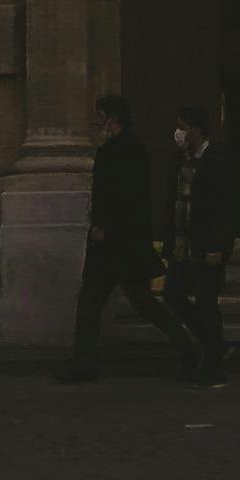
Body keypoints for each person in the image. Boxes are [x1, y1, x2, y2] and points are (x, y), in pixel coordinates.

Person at [59, 91, 195, 382]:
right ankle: (186, 348)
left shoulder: (118, 152)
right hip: (124, 243)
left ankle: (85, 365)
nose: (96, 122)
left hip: (115, 243)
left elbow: (120, 196)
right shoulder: (128, 149)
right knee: (129, 302)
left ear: (113, 118)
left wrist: (102, 225)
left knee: (100, 303)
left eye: (100, 116)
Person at [167, 100, 235, 385]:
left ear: (195, 130)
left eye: (182, 127)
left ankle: (215, 368)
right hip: (185, 244)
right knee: (173, 295)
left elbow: (224, 207)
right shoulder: (184, 160)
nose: (178, 133)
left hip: (206, 245)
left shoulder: (215, 160)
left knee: (207, 303)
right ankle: (216, 346)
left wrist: (217, 246)